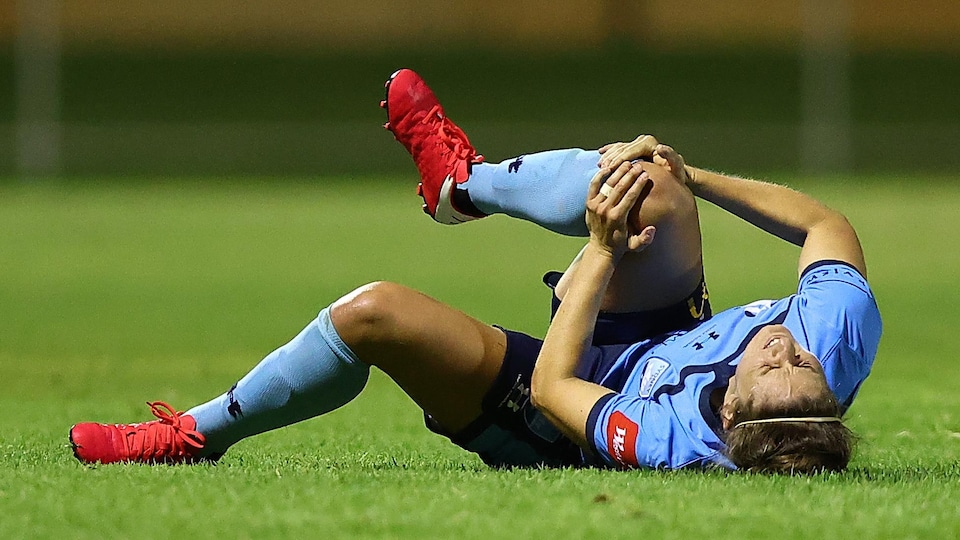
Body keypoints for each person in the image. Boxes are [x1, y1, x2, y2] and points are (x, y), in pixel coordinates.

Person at [69, 69, 881, 473]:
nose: (779, 346)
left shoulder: (670, 437)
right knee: (650, 179)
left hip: (561, 408)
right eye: (799, 360)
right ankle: (461, 186)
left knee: (371, 314)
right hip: (660, 333)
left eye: (771, 369)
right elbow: (825, 223)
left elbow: (564, 386)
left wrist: (598, 257)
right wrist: (695, 176)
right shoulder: (831, 340)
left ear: (730, 413)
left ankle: (192, 436)